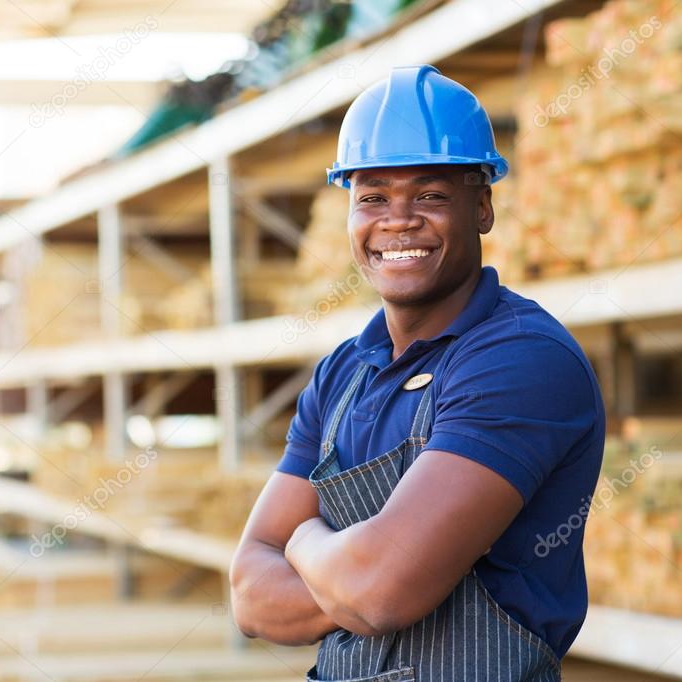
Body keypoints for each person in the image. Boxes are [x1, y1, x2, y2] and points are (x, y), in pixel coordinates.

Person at [229, 64, 605, 682]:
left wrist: (301, 543)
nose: (397, 221)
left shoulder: (521, 360)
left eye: (430, 196)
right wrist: (349, 579)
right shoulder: (341, 375)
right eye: (372, 198)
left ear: (482, 207)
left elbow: (381, 593)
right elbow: (249, 592)